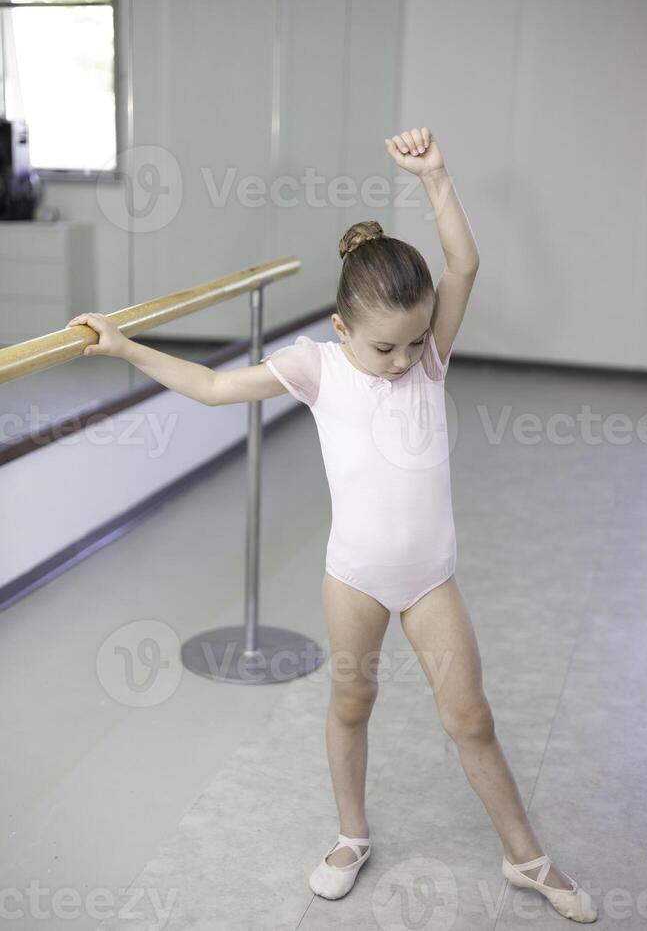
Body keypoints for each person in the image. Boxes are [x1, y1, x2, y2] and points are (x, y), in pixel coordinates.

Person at [66, 127, 598, 923]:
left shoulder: (427, 358)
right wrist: (125, 347)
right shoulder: (317, 366)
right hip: (353, 576)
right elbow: (213, 388)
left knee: (471, 717)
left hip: (429, 579)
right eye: (387, 346)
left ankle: (526, 856)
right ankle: (352, 835)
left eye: (419, 340)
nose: (405, 359)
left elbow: (463, 266)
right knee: (352, 704)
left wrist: (438, 179)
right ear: (345, 331)